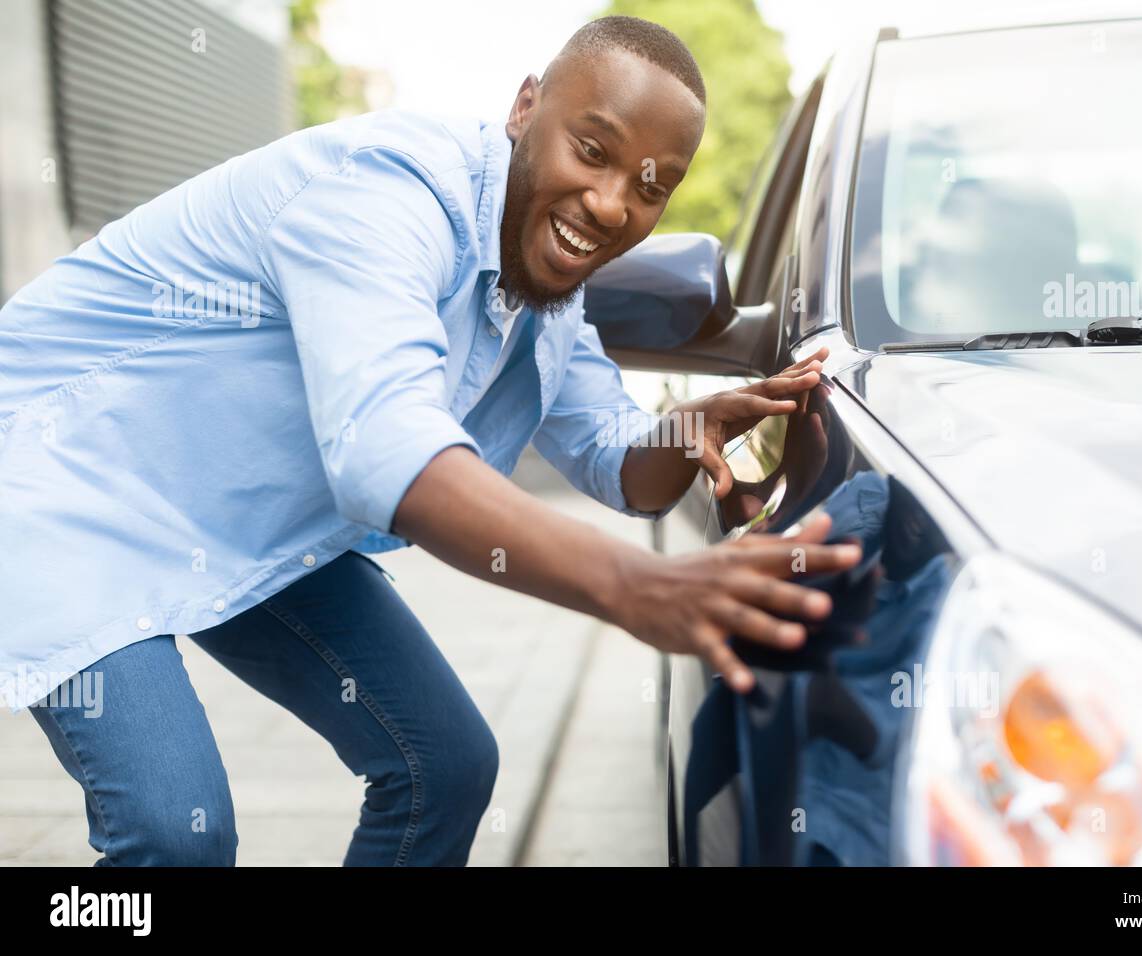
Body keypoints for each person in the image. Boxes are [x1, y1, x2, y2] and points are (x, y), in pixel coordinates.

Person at [0, 15, 859, 866]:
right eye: (591, 152)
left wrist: (690, 428)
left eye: (651, 184)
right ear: (526, 108)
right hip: (73, 477)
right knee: (175, 832)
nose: (611, 204)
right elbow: (386, 453)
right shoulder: (388, 194)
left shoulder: (548, 289)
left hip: (233, 506)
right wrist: (638, 587)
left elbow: (613, 457)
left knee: (444, 765)